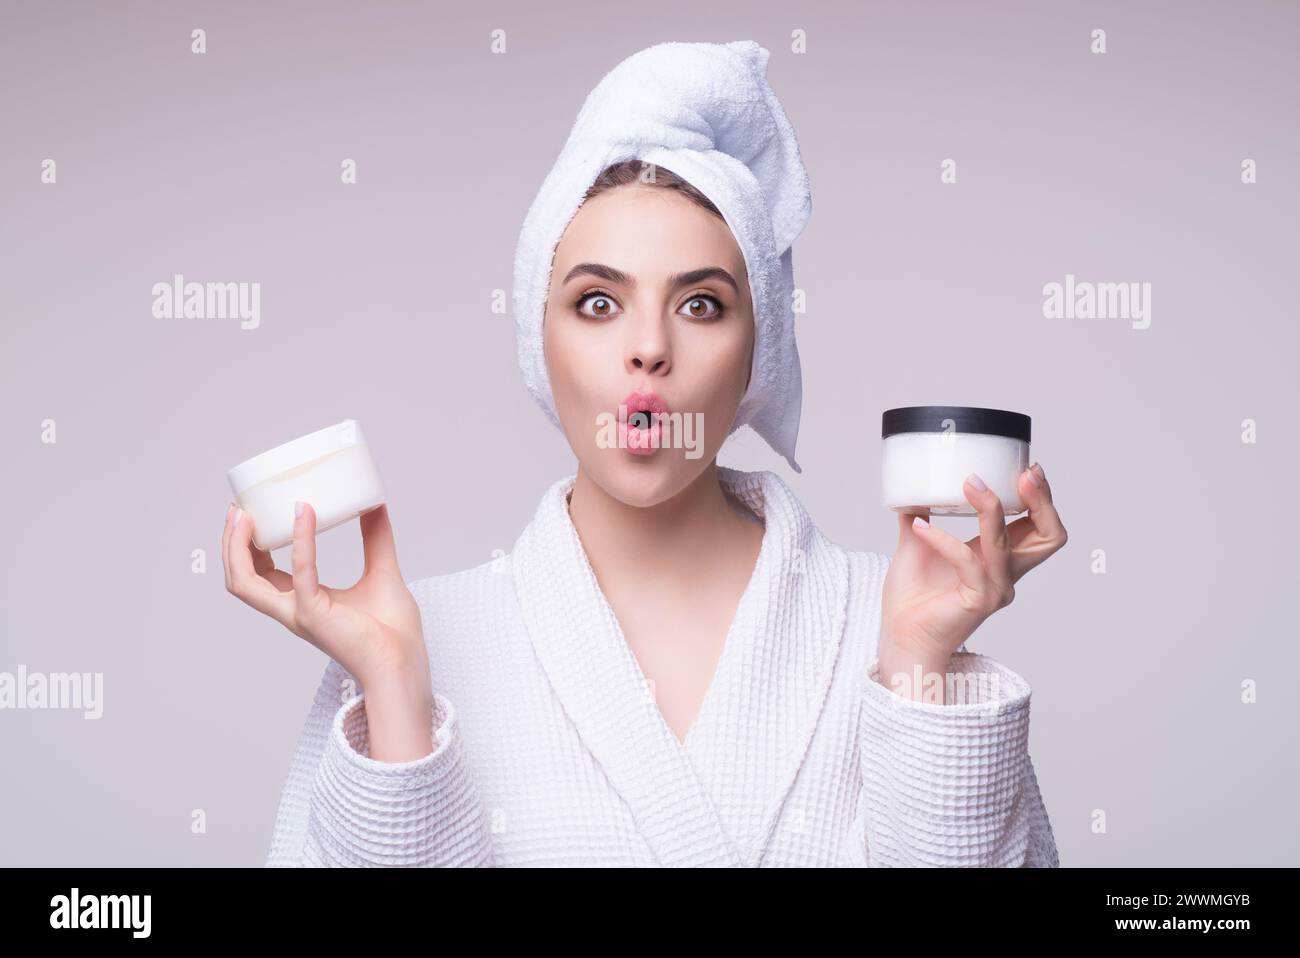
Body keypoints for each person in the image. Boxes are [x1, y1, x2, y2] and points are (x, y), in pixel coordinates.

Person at [223, 41, 1067, 867]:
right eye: (597, 302)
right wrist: (396, 687)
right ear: (538, 343)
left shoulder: (886, 619)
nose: (649, 350)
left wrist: (922, 667)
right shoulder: (413, 638)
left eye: (701, 305)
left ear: (758, 354)